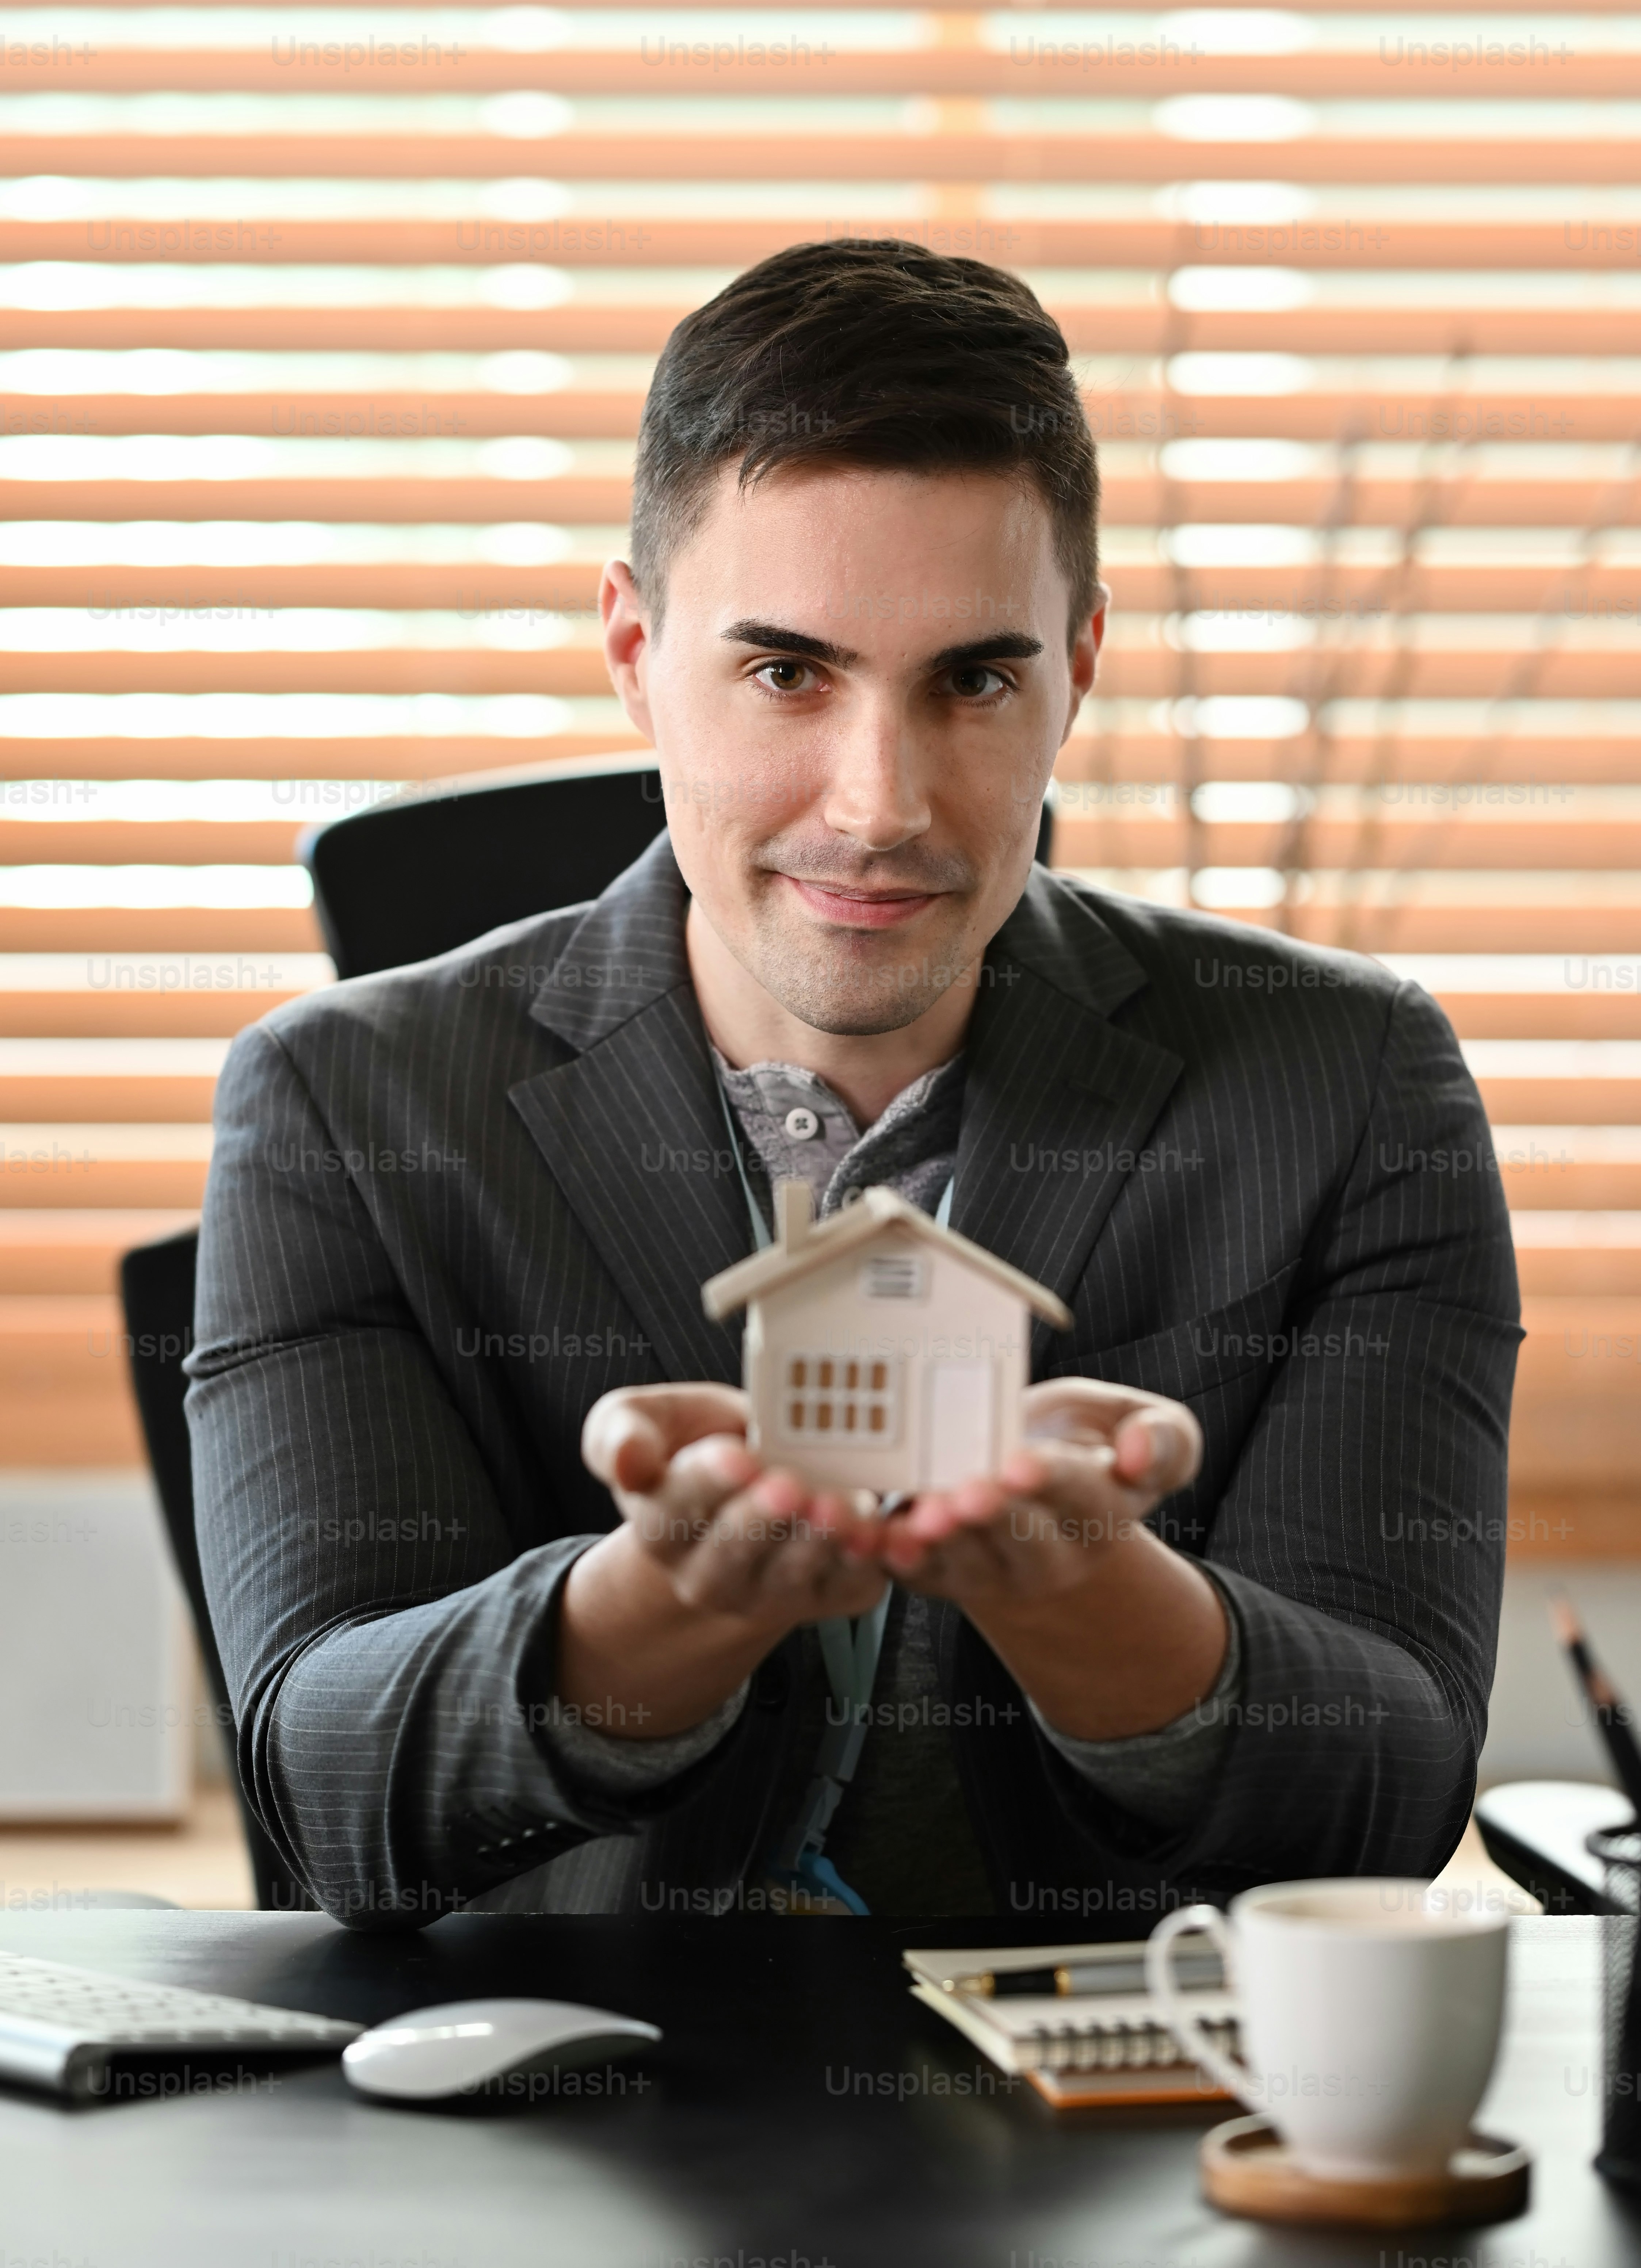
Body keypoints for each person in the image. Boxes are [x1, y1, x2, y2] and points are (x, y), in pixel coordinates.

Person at [187, 238, 1521, 1931]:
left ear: (1079, 665)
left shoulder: (1349, 1082)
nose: (878, 800)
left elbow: (1386, 1800)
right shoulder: (339, 1103)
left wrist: (1087, 1594)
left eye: (972, 679)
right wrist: (651, 1614)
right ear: (631, 646)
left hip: (1113, 2139)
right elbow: (321, 1793)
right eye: (784, 670)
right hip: (567, 2124)